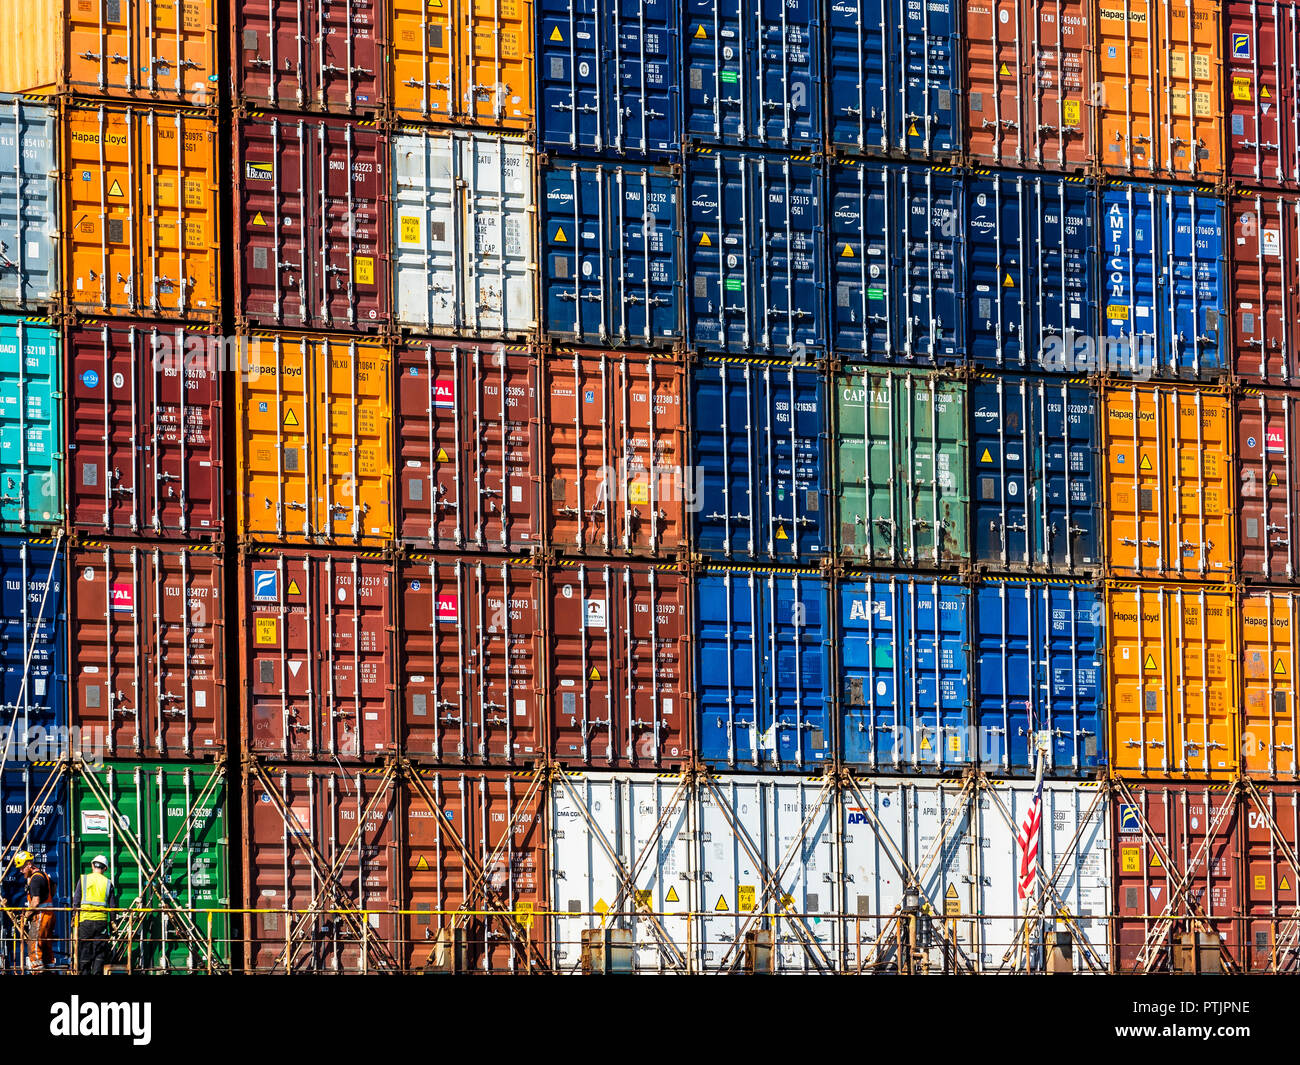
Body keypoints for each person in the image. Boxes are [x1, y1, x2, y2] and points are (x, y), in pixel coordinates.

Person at [72, 855, 117, 976]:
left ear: (92, 866)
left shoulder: (83, 879)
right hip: (101, 922)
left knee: (85, 951)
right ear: (105, 869)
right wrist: (113, 922)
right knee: (99, 953)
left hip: (85, 921)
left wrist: (74, 918)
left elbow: (76, 901)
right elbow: (113, 907)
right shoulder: (108, 883)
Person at [14, 851, 54, 973]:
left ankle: (38, 970)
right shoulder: (44, 875)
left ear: (29, 864)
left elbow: (35, 901)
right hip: (49, 914)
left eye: (22, 868)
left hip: (41, 915)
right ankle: (50, 969)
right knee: (45, 947)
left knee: (34, 945)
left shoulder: (35, 879)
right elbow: (53, 888)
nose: (21, 871)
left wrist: (25, 916)